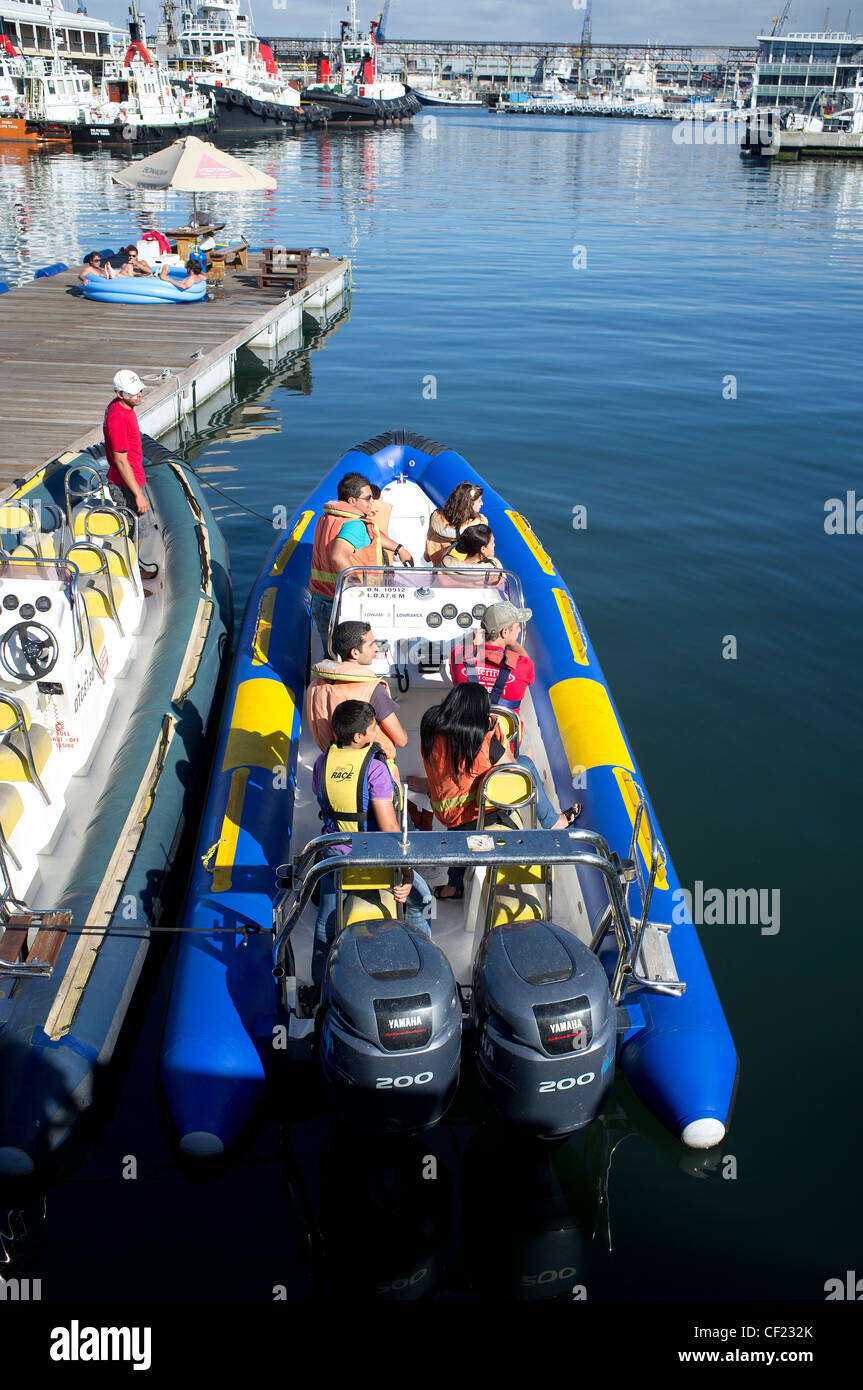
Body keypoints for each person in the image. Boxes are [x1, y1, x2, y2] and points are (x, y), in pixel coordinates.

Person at [311, 700, 433, 990]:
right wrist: (406, 872)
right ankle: (426, 961)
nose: (378, 731)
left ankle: (320, 988)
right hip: (373, 858)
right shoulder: (376, 769)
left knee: (325, 925)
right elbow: (390, 828)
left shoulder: (321, 762)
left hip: (335, 856)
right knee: (423, 899)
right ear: (359, 737)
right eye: (374, 728)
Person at [420, 684, 580, 900]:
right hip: (474, 813)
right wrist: (495, 733)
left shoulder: (431, 729)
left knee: (460, 824)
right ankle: (553, 821)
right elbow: (513, 770)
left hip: (445, 811)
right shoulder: (481, 740)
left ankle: (454, 886)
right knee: (525, 765)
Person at [309, 472, 414, 655]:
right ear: (351, 501)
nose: (371, 503)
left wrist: (398, 548)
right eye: (367, 499)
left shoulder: (327, 519)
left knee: (333, 655)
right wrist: (357, 589)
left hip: (321, 600)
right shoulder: (354, 525)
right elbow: (338, 557)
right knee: (355, 656)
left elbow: (371, 536)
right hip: (345, 605)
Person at [305, 620, 408, 761]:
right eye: (371, 644)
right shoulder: (373, 689)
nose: (376, 648)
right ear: (355, 652)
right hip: (371, 767)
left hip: (333, 762)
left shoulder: (316, 686)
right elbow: (401, 740)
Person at [103, 368, 157, 578]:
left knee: (138, 528)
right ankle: (129, 573)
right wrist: (138, 494)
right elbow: (120, 460)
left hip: (133, 477)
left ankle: (132, 567)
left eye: (139, 391)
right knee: (138, 529)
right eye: (133, 393)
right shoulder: (117, 417)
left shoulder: (123, 407)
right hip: (127, 483)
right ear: (119, 394)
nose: (139, 395)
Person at [449, 600, 535, 712]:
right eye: (517, 626)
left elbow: (460, 647)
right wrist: (512, 642)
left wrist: (473, 640)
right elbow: (526, 661)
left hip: (467, 727)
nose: (519, 630)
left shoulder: (458, 655)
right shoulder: (523, 665)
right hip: (504, 729)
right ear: (504, 632)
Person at [425, 481, 487, 564]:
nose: (482, 503)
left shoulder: (436, 519)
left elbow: (427, 557)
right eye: (479, 501)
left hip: (437, 573)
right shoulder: (479, 523)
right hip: (460, 574)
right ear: (469, 504)